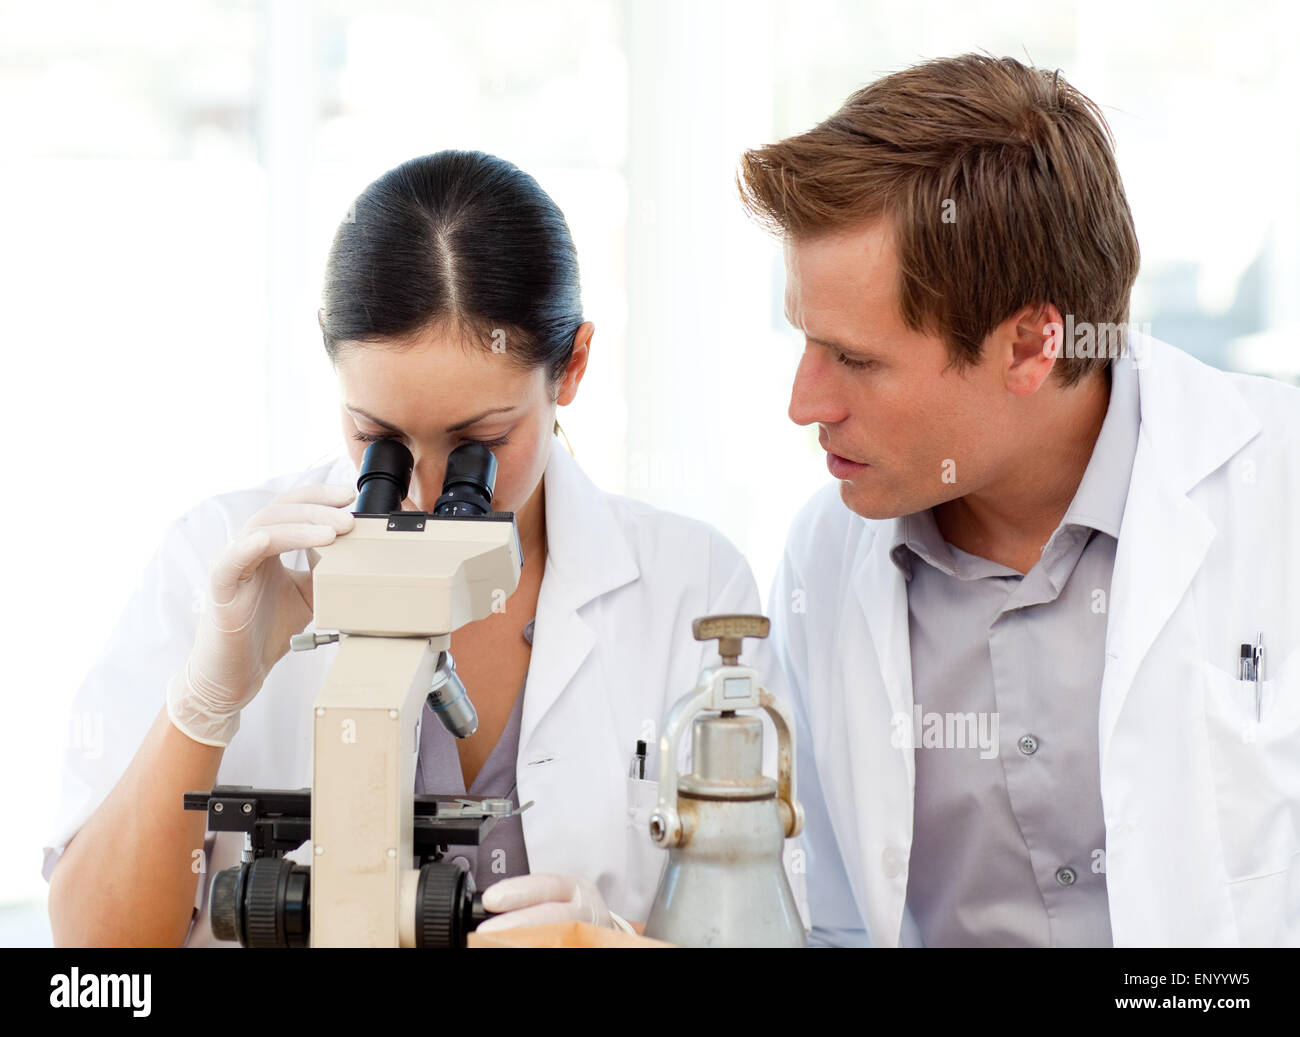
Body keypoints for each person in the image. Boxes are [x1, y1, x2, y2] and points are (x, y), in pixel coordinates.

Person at [45, 149, 806, 946]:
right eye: (380, 440)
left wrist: (617, 938)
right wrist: (204, 701)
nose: (424, 490)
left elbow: (769, 920)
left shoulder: (692, 583)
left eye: (480, 441)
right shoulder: (214, 552)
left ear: (572, 365)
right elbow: (98, 955)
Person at [739, 54, 1300, 947]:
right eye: (808, 341)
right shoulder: (827, 556)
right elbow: (820, 915)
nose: (806, 404)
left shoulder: (1280, 492)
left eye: (855, 358)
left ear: (1032, 345)